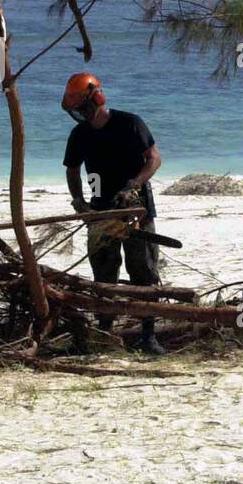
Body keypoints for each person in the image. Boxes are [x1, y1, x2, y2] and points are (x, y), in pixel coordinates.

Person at [61, 72, 166, 355]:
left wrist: (134, 184)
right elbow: (72, 169)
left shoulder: (130, 123)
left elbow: (154, 157)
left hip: (136, 211)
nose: (81, 114)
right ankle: (104, 332)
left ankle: (148, 335)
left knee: (142, 270)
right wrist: (78, 200)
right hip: (100, 212)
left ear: (97, 98)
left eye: (83, 108)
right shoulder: (79, 135)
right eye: (77, 110)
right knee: (103, 274)